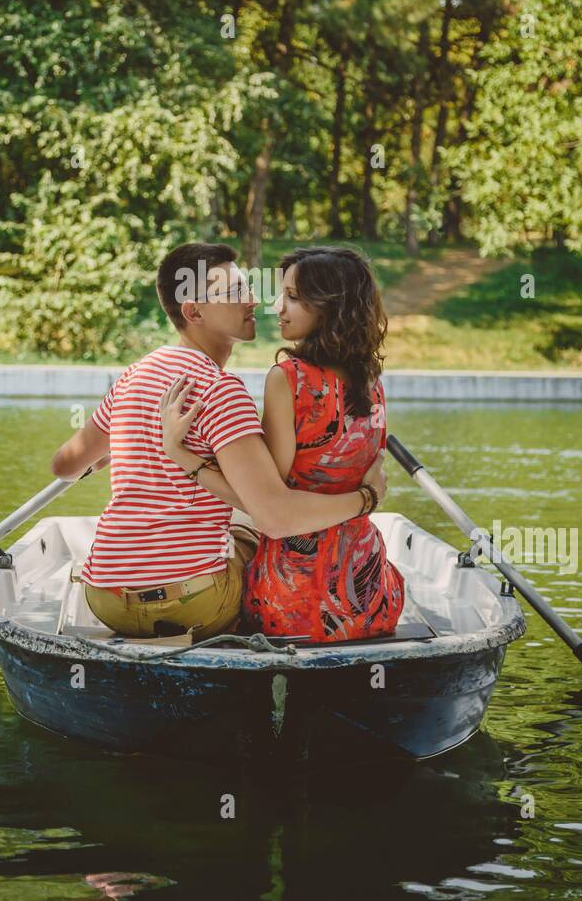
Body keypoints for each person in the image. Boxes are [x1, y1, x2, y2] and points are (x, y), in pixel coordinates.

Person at [50, 242, 385, 642]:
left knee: (243, 510)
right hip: (195, 606)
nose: (253, 300)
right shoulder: (222, 391)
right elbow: (274, 515)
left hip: (104, 596)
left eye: (247, 286)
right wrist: (366, 499)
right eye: (234, 292)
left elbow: (64, 466)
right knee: (248, 522)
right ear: (193, 312)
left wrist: (111, 451)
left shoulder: (134, 376)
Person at [161, 246, 403, 644]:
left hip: (293, 604)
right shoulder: (371, 381)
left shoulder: (288, 378)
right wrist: (367, 497)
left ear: (329, 307)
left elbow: (265, 503)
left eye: (292, 297)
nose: (276, 307)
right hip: (370, 597)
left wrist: (185, 458)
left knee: (239, 528)